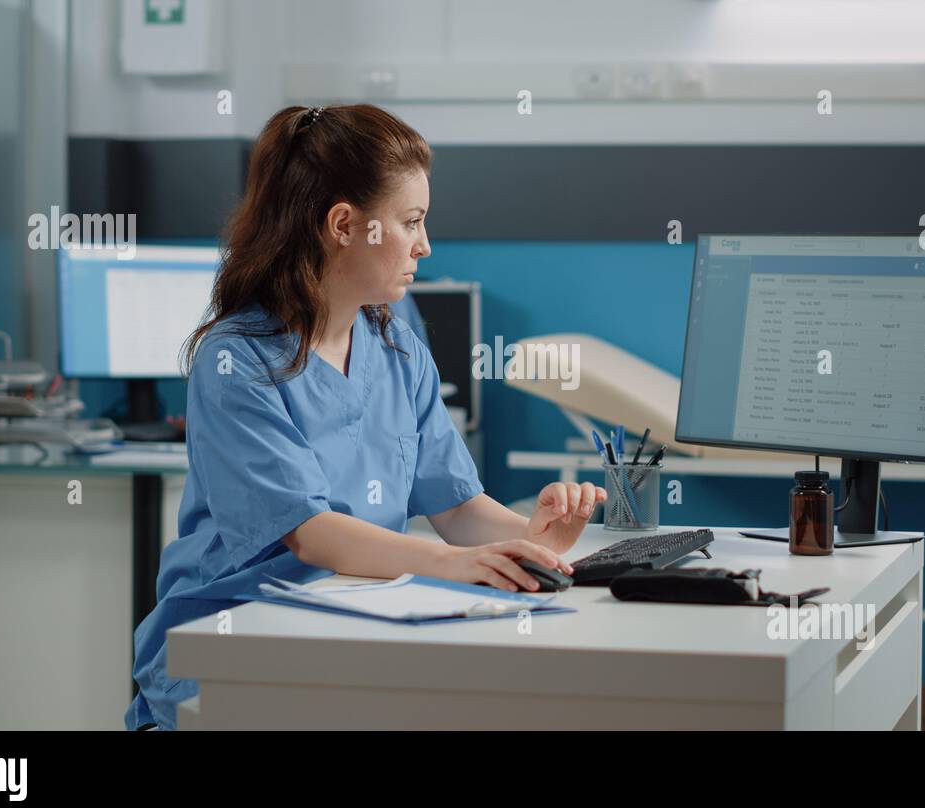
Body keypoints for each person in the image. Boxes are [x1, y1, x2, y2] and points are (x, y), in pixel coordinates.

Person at [126, 104, 605, 730]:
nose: (425, 245)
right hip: (231, 646)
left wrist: (528, 540)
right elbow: (311, 533)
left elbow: (456, 508)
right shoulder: (237, 361)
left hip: (348, 628)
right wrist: (453, 564)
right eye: (410, 222)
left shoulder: (398, 346)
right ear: (345, 225)